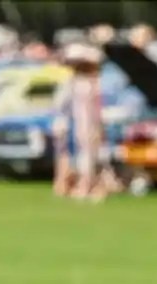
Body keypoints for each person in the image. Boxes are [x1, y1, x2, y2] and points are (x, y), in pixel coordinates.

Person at [55, 44, 108, 202]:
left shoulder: (89, 83)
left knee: (89, 155)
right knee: (82, 154)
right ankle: (83, 184)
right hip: (80, 125)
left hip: (87, 125)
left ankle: (88, 186)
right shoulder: (78, 82)